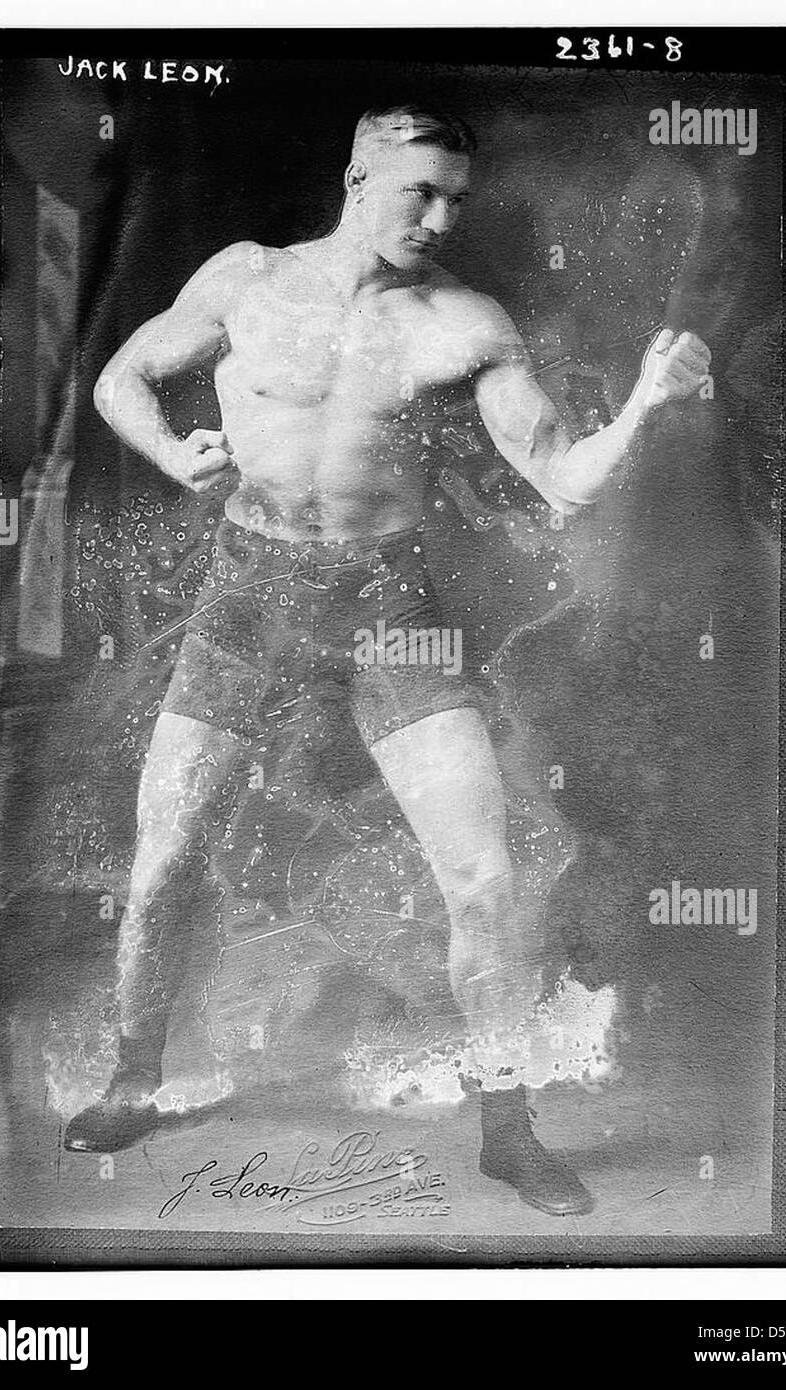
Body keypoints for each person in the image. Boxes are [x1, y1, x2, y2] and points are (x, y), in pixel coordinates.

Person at [65, 105, 710, 1215]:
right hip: (249, 598)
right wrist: (176, 452)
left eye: (459, 195)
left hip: (385, 611)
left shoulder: (464, 321)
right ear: (358, 175)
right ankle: (134, 1075)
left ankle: (509, 1128)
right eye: (420, 190)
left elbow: (564, 476)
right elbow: (120, 378)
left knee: (486, 880)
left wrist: (646, 404)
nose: (443, 215)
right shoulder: (246, 279)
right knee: (163, 856)